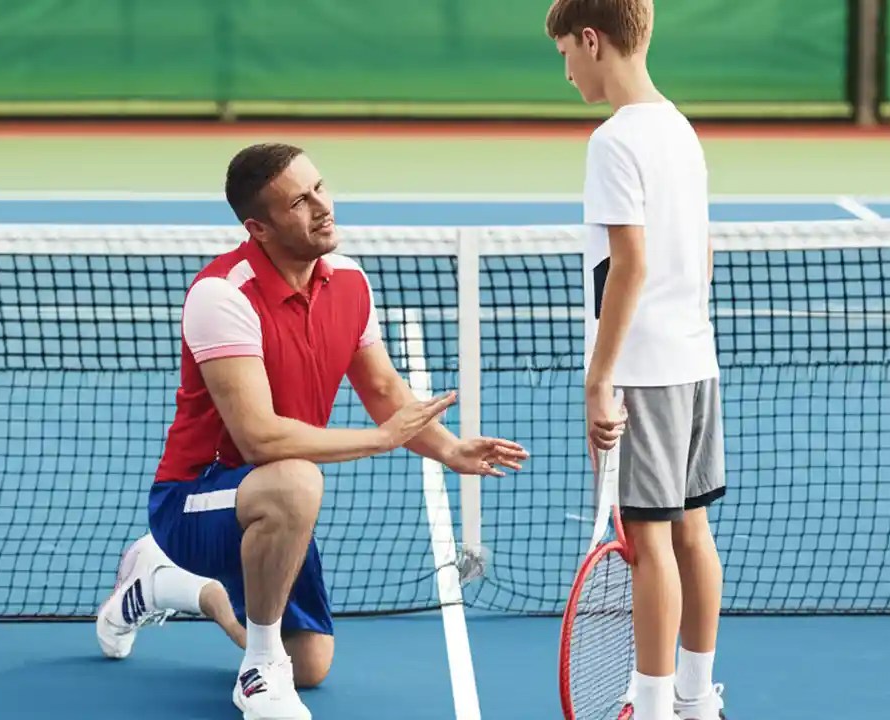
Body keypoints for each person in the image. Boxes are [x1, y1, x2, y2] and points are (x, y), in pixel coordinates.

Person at [94, 142, 529, 720]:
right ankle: (259, 671)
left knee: (314, 665)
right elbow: (260, 441)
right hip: (194, 497)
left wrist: (449, 449)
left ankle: (162, 584)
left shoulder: (348, 283)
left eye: (319, 187)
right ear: (260, 228)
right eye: (299, 201)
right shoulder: (222, 295)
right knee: (297, 482)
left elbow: (381, 392)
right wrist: (382, 439)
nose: (323, 207)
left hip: (272, 497)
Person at [544, 2, 728, 719]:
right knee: (692, 533)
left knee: (650, 543)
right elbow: (702, 252)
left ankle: (650, 709)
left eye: (565, 52)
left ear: (592, 41)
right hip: (694, 360)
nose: (565, 70)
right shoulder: (680, 129)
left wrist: (600, 378)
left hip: (642, 373)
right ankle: (693, 698)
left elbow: (630, 263)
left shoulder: (612, 141)